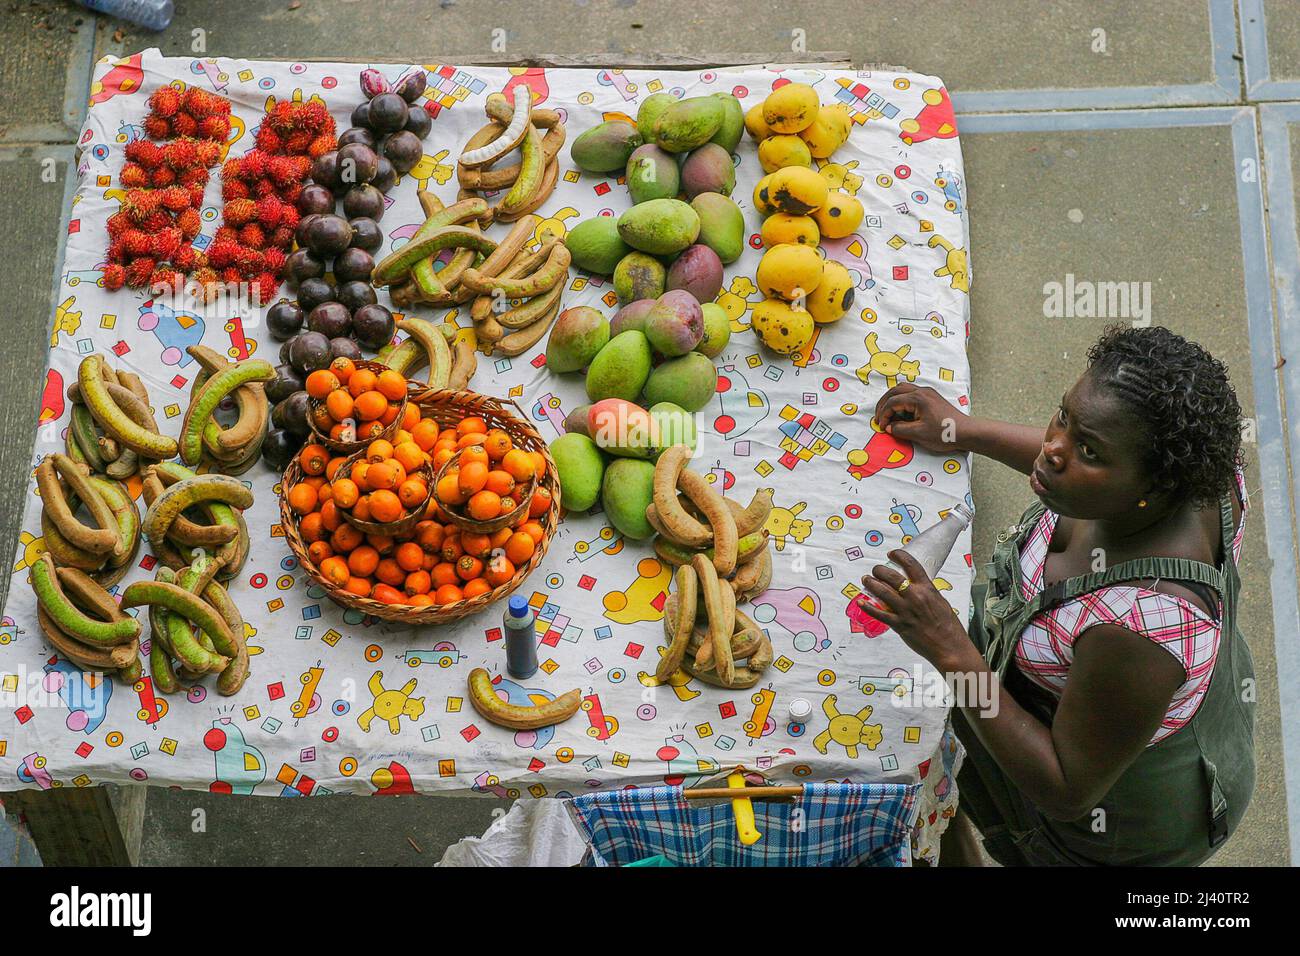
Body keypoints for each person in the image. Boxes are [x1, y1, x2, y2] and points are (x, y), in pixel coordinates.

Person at [861, 325, 1255, 866]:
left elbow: (1065, 789)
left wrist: (950, 647)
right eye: (1063, 416)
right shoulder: (1176, 472)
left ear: (1156, 485)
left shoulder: (1135, 630)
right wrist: (963, 430)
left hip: (1106, 817)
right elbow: (1079, 453)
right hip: (1107, 713)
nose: (1052, 449)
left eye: (1086, 449)